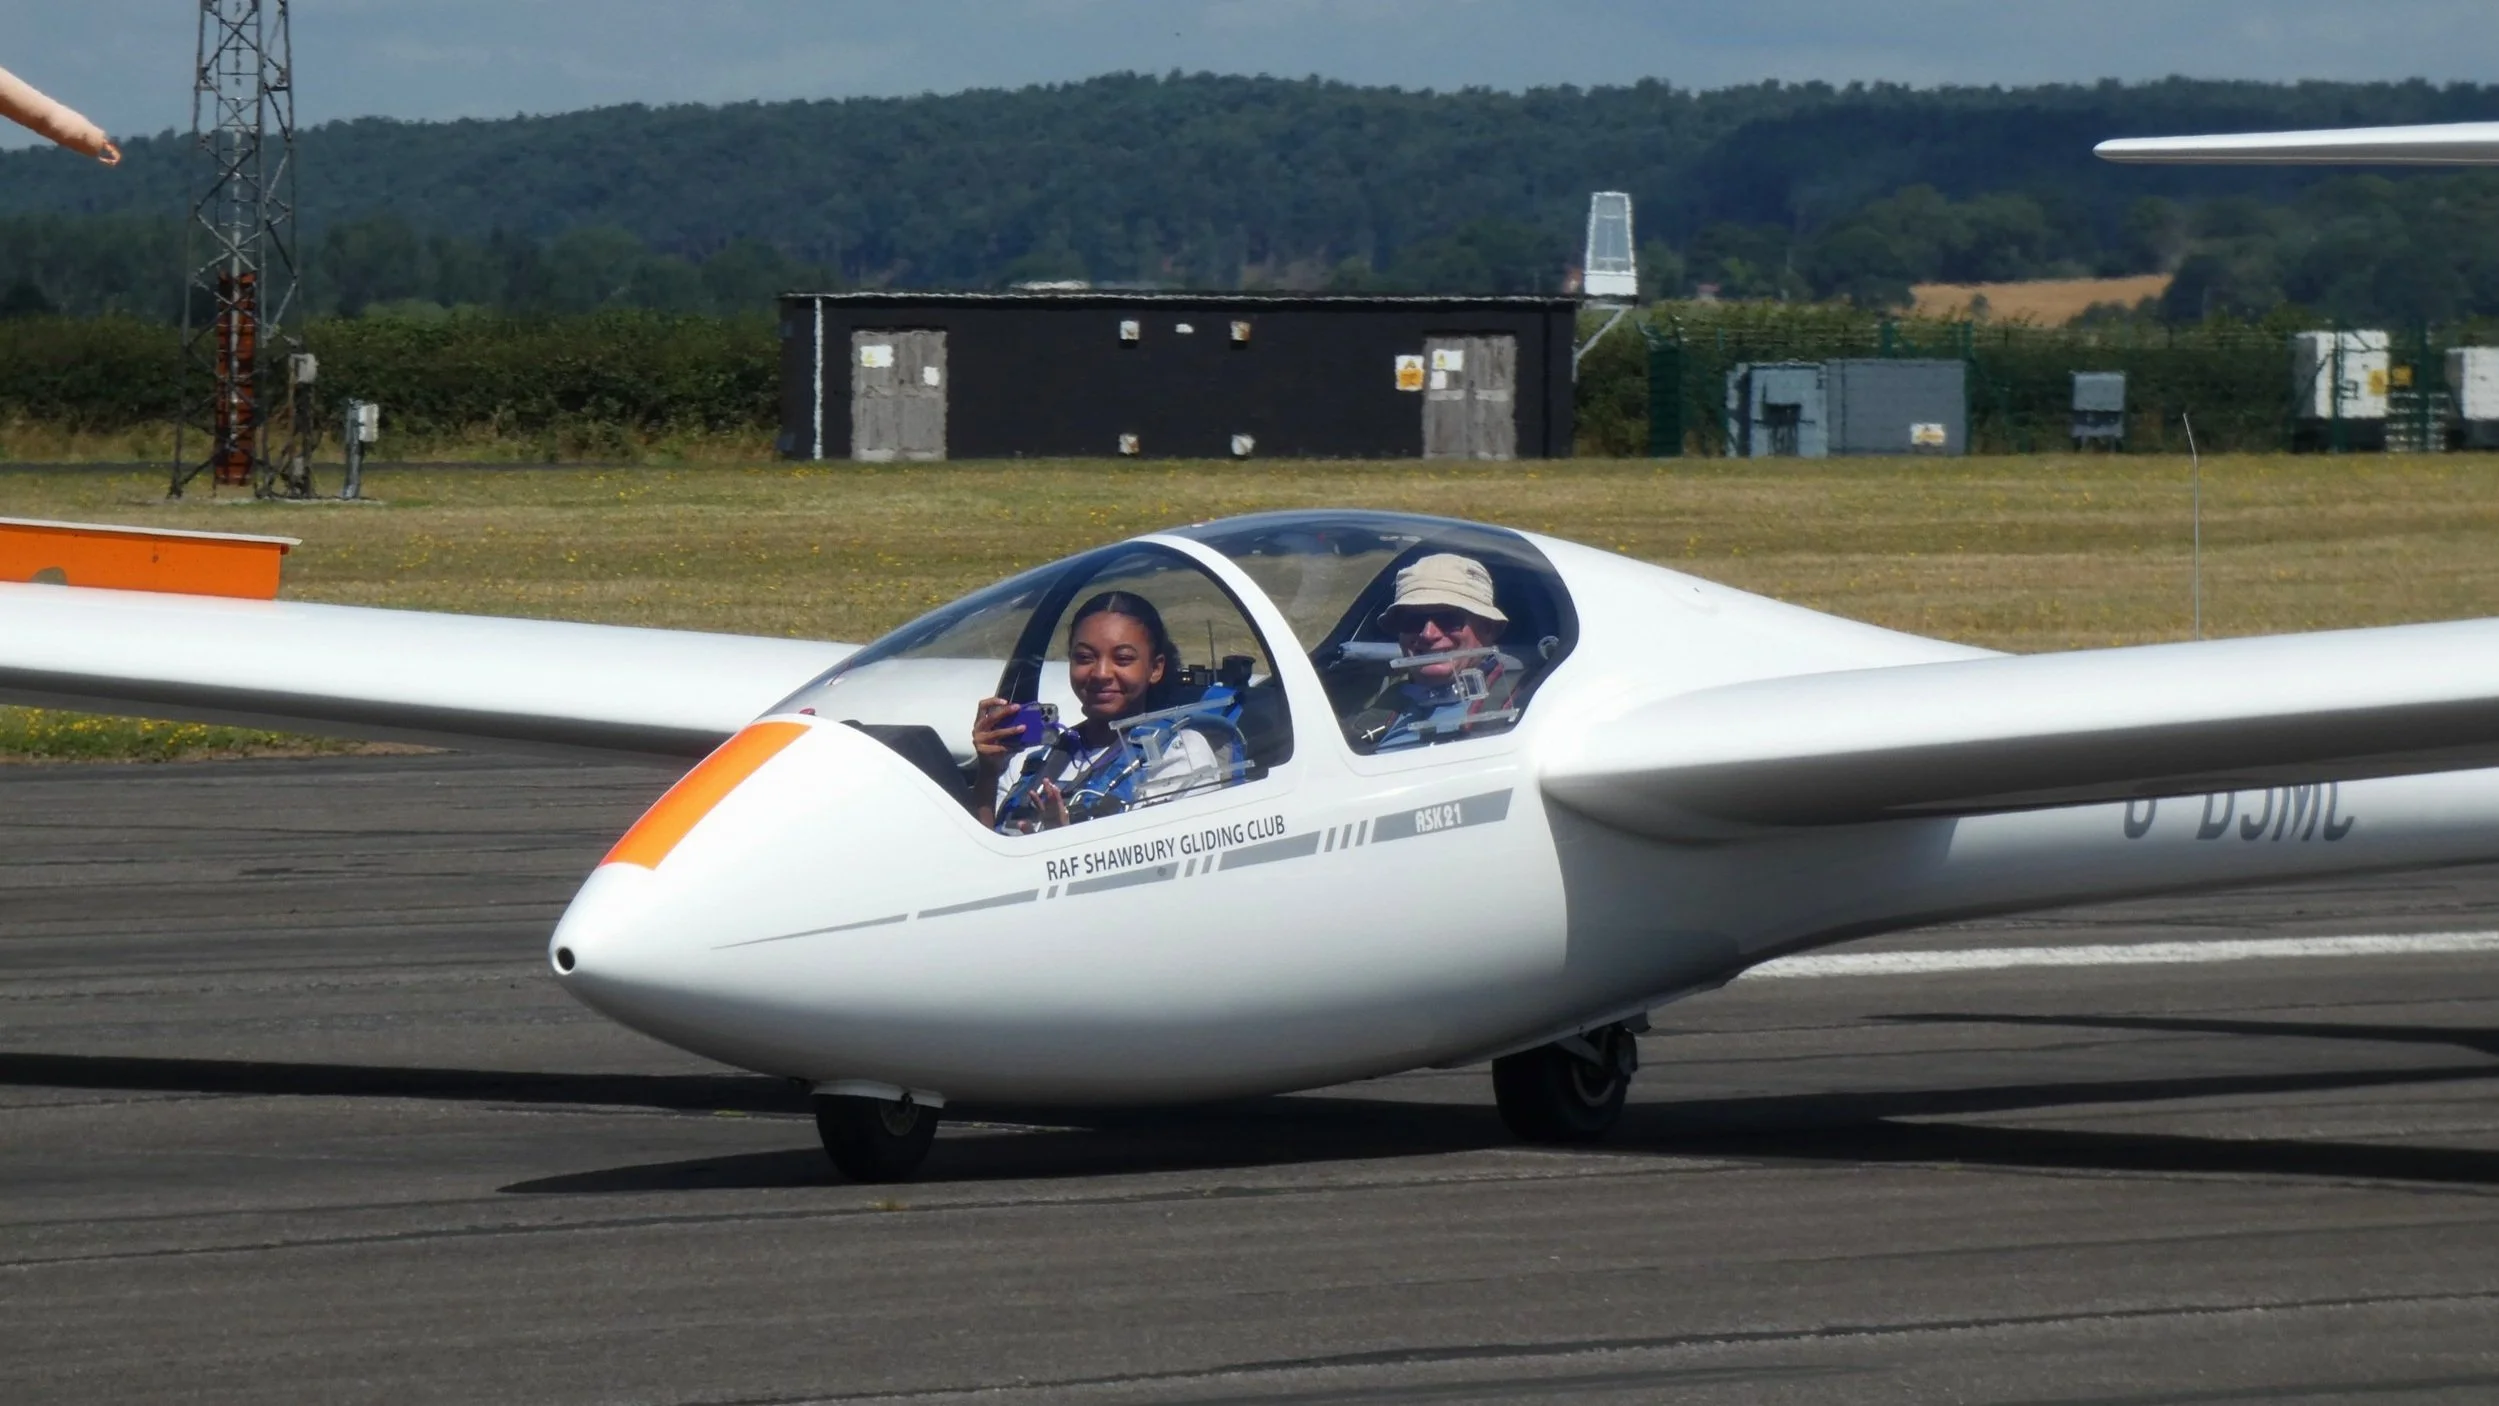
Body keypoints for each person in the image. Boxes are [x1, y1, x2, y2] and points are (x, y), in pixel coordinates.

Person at [969, 591, 1225, 832]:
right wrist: (989, 773)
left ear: (1155, 668)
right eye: (1084, 658)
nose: (1101, 674)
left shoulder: (1179, 755)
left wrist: (1062, 842)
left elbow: (1164, 867)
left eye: (1123, 659)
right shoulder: (1032, 763)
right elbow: (984, 851)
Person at [1351, 553, 1525, 752]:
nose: (1428, 634)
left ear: (1488, 628)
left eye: (1447, 619)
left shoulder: (1525, 706)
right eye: (1412, 620)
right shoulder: (1386, 705)